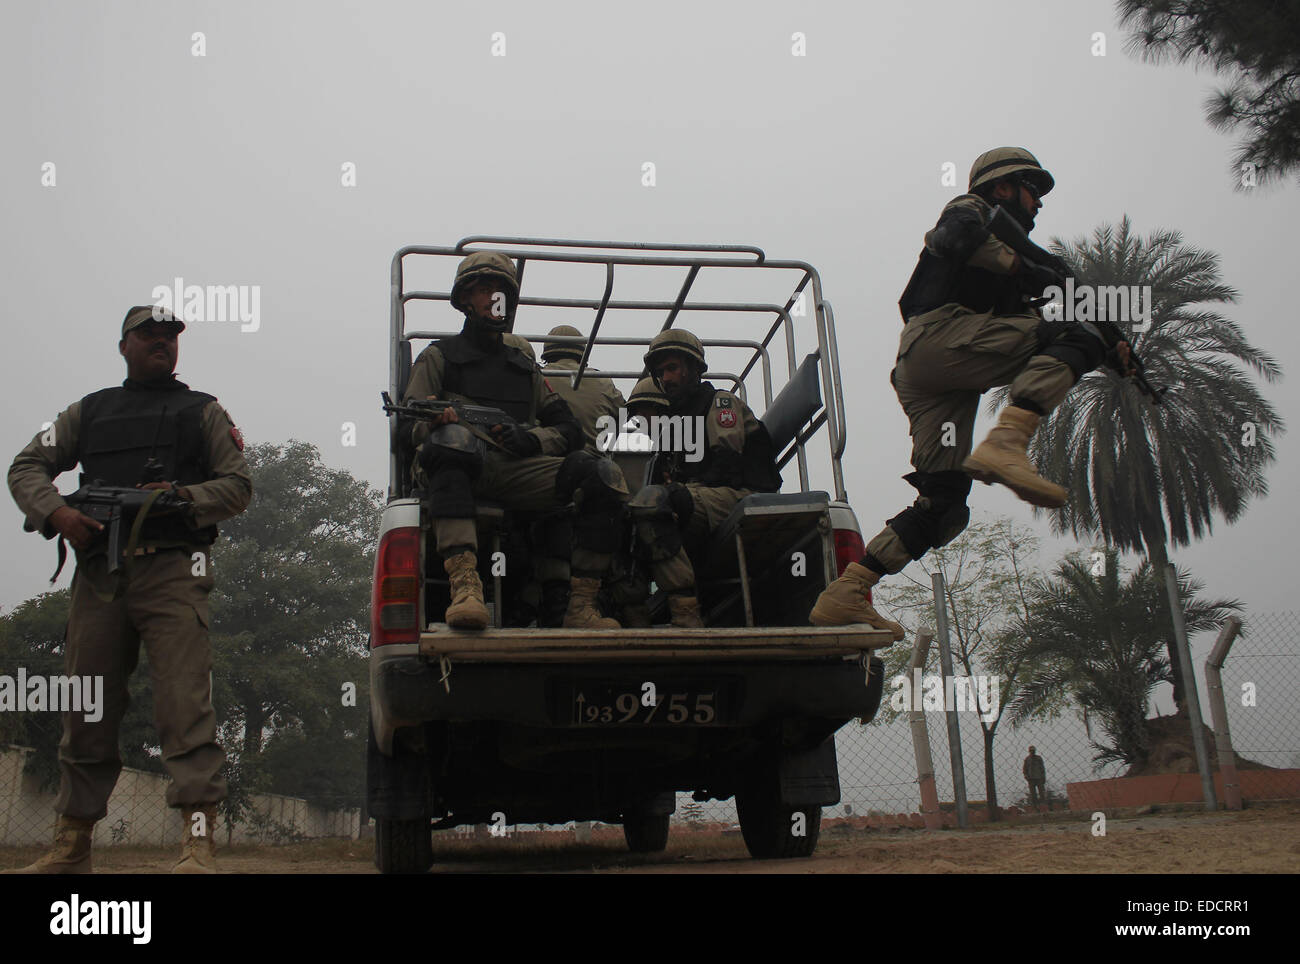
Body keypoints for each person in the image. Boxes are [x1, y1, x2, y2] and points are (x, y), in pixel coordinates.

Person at [810, 147, 1137, 637]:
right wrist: (1039, 278)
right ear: (1003, 187)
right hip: (941, 339)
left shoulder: (1020, 254)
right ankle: (1007, 443)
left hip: (933, 375)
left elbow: (1051, 297)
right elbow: (954, 236)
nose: (1039, 204)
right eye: (1033, 190)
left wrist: (1115, 346)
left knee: (943, 507)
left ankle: (848, 591)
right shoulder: (973, 210)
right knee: (1077, 331)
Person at [4, 305, 252, 874]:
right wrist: (58, 514)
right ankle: (72, 848)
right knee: (86, 706)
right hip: (100, 575)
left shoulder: (203, 411)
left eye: (170, 337)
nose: (161, 344)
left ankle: (197, 844)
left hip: (174, 570)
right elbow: (27, 466)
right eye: (149, 336)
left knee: (184, 705)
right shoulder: (87, 411)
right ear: (124, 346)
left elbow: (238, 485)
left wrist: (182, 497)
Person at [404, 252, 629, 631]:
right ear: (464, 299)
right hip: (454, 470)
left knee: (602, 474)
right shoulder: (439, 357)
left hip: (514, 469)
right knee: (452, 440)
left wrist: (530, 439)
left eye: (503, 290)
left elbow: (569, 430)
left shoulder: (524, 368)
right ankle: (465, 588)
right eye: (485, 289)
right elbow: (408, 425)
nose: (496, 298)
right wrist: (433, 424)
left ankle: (580, 606)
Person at [629, 329, 781, 627]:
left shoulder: (720, 403)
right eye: (660, 372)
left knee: (658, 502)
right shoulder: (675, 423)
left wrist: (676, 492)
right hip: (705, 500)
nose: (666, 379)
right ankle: (634, 613)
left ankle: (685, 613)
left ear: (694, 368)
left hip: (739, 494)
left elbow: (727, 466)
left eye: (672, 368)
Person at [522, 325, 628, 626]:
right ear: (582, 353)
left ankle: (538, 600)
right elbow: (620, 424)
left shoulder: (535, 378)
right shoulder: (602, 382)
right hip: (596, 482)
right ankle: (587, 603)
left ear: (548, 353)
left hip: (545, 476)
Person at [1023, 745, 1047, 811]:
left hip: (1039, 777)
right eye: (1031, 751)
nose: (1032, 752)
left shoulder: (1039, 758)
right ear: (1029, 751)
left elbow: (1042, 768)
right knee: (1033, 794)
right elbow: (1024, 769)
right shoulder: (1027, 759)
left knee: (1042, 793)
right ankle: (1035, 807)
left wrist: (1043, 777)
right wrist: (1026, 776)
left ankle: (1043, 805)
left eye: (1033, 750)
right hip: (1031, 779)